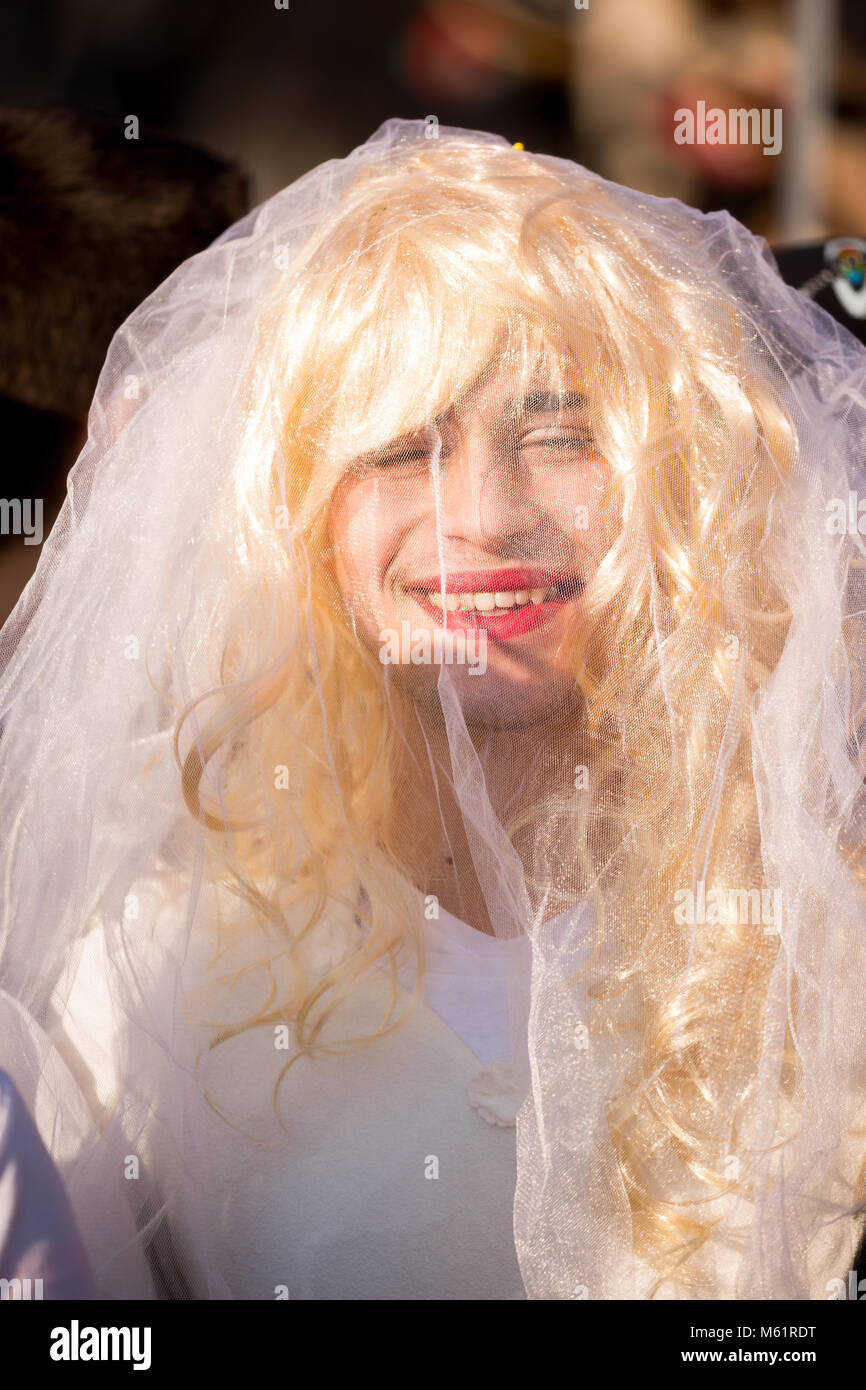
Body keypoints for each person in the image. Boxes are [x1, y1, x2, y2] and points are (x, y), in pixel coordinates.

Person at [2, 117, 866, 1301]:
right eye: (400, 448)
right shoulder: (151, 969)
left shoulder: (819, 930)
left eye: (562, 433)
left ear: (681, 478)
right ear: (298, 515)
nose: (484, 517)